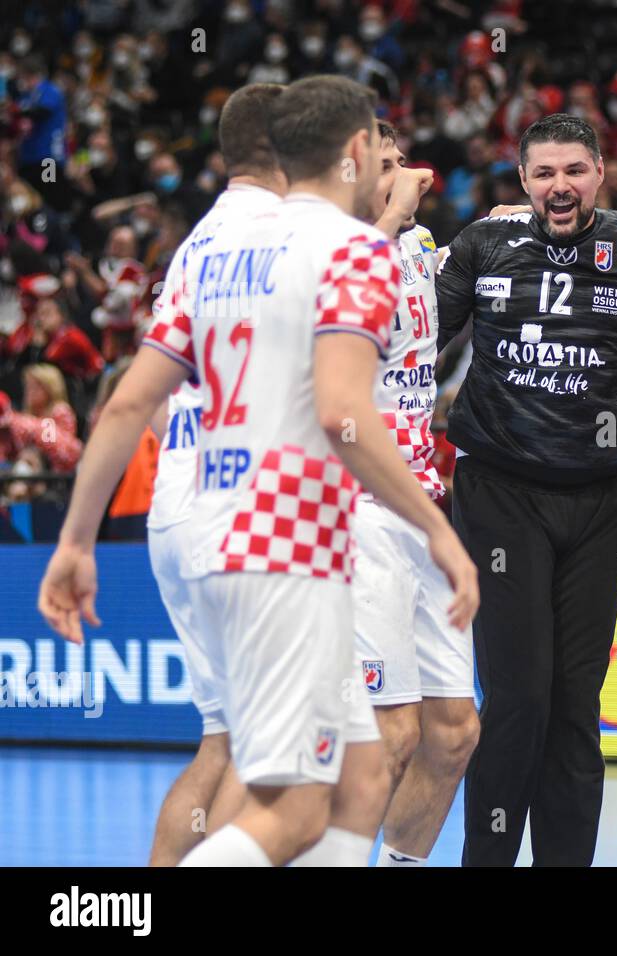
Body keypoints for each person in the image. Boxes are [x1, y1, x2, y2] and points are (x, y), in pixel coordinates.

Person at [38, 75, 478, 868]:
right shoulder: (355, 250)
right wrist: (436, 526)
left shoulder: (211, 246)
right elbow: (346, 415)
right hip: (291, 542)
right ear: (354, 152)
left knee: (363, 766)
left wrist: (77, 540)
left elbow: (128, 405)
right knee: (292, 804)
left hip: (214, 528)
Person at [435, 112, 617, 866]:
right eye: (544, 173)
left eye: (575, 171)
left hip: (597, 500)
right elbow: (413, 344)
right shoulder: (483, 244)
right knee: (519, 698)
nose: (561, 186)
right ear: (523, 182)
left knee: (576, 706)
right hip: (499, 493)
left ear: (601, 174)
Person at [142, 82, 289, 868]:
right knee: (276, 763)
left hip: (177, 503)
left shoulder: (197, 241)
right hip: (238, 517)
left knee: (224, 741)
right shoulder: (287, 233)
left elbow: (150, 392)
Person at [351, 122, 480, 869]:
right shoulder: (331, 252)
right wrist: (392, 211)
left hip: (424, 509)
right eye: (380, 168)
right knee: (390, 733)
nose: (399, 178)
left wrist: (500, 230)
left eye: (401, 165)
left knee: (454, 731)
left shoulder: (417, 246)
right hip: (356, 509)